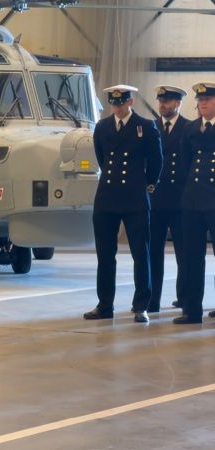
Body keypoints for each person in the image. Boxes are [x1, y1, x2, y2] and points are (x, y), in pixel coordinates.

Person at [83, 85, 162, 324]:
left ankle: (141, 306)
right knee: (105, 254)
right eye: (114, 103)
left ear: (130, 102)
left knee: (141, 254)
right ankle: (105, 305)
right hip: (107, 197)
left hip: (135, 198)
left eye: (121, 103)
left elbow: (156, 161)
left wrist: (147, 184)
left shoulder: (146, 127)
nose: (117, 108)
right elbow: (101, 158)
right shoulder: (102, 127)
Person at [174, 82, 215, 324]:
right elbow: (185, 163)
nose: (203, 103)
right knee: (192, 257)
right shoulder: (190, 129)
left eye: (208, 99)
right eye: (200, 100)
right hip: (192, 201)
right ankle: (192, 310)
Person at [148, 86, 190, 312]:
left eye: (168, 101)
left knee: (184, 253)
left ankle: (184, 297)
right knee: (153, 252)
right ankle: (152, 300)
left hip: (180, 200)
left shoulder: (189, 128)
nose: (163, 104)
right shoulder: (151, 127)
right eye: (161, 100)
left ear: (178, 103)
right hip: (155, 201)